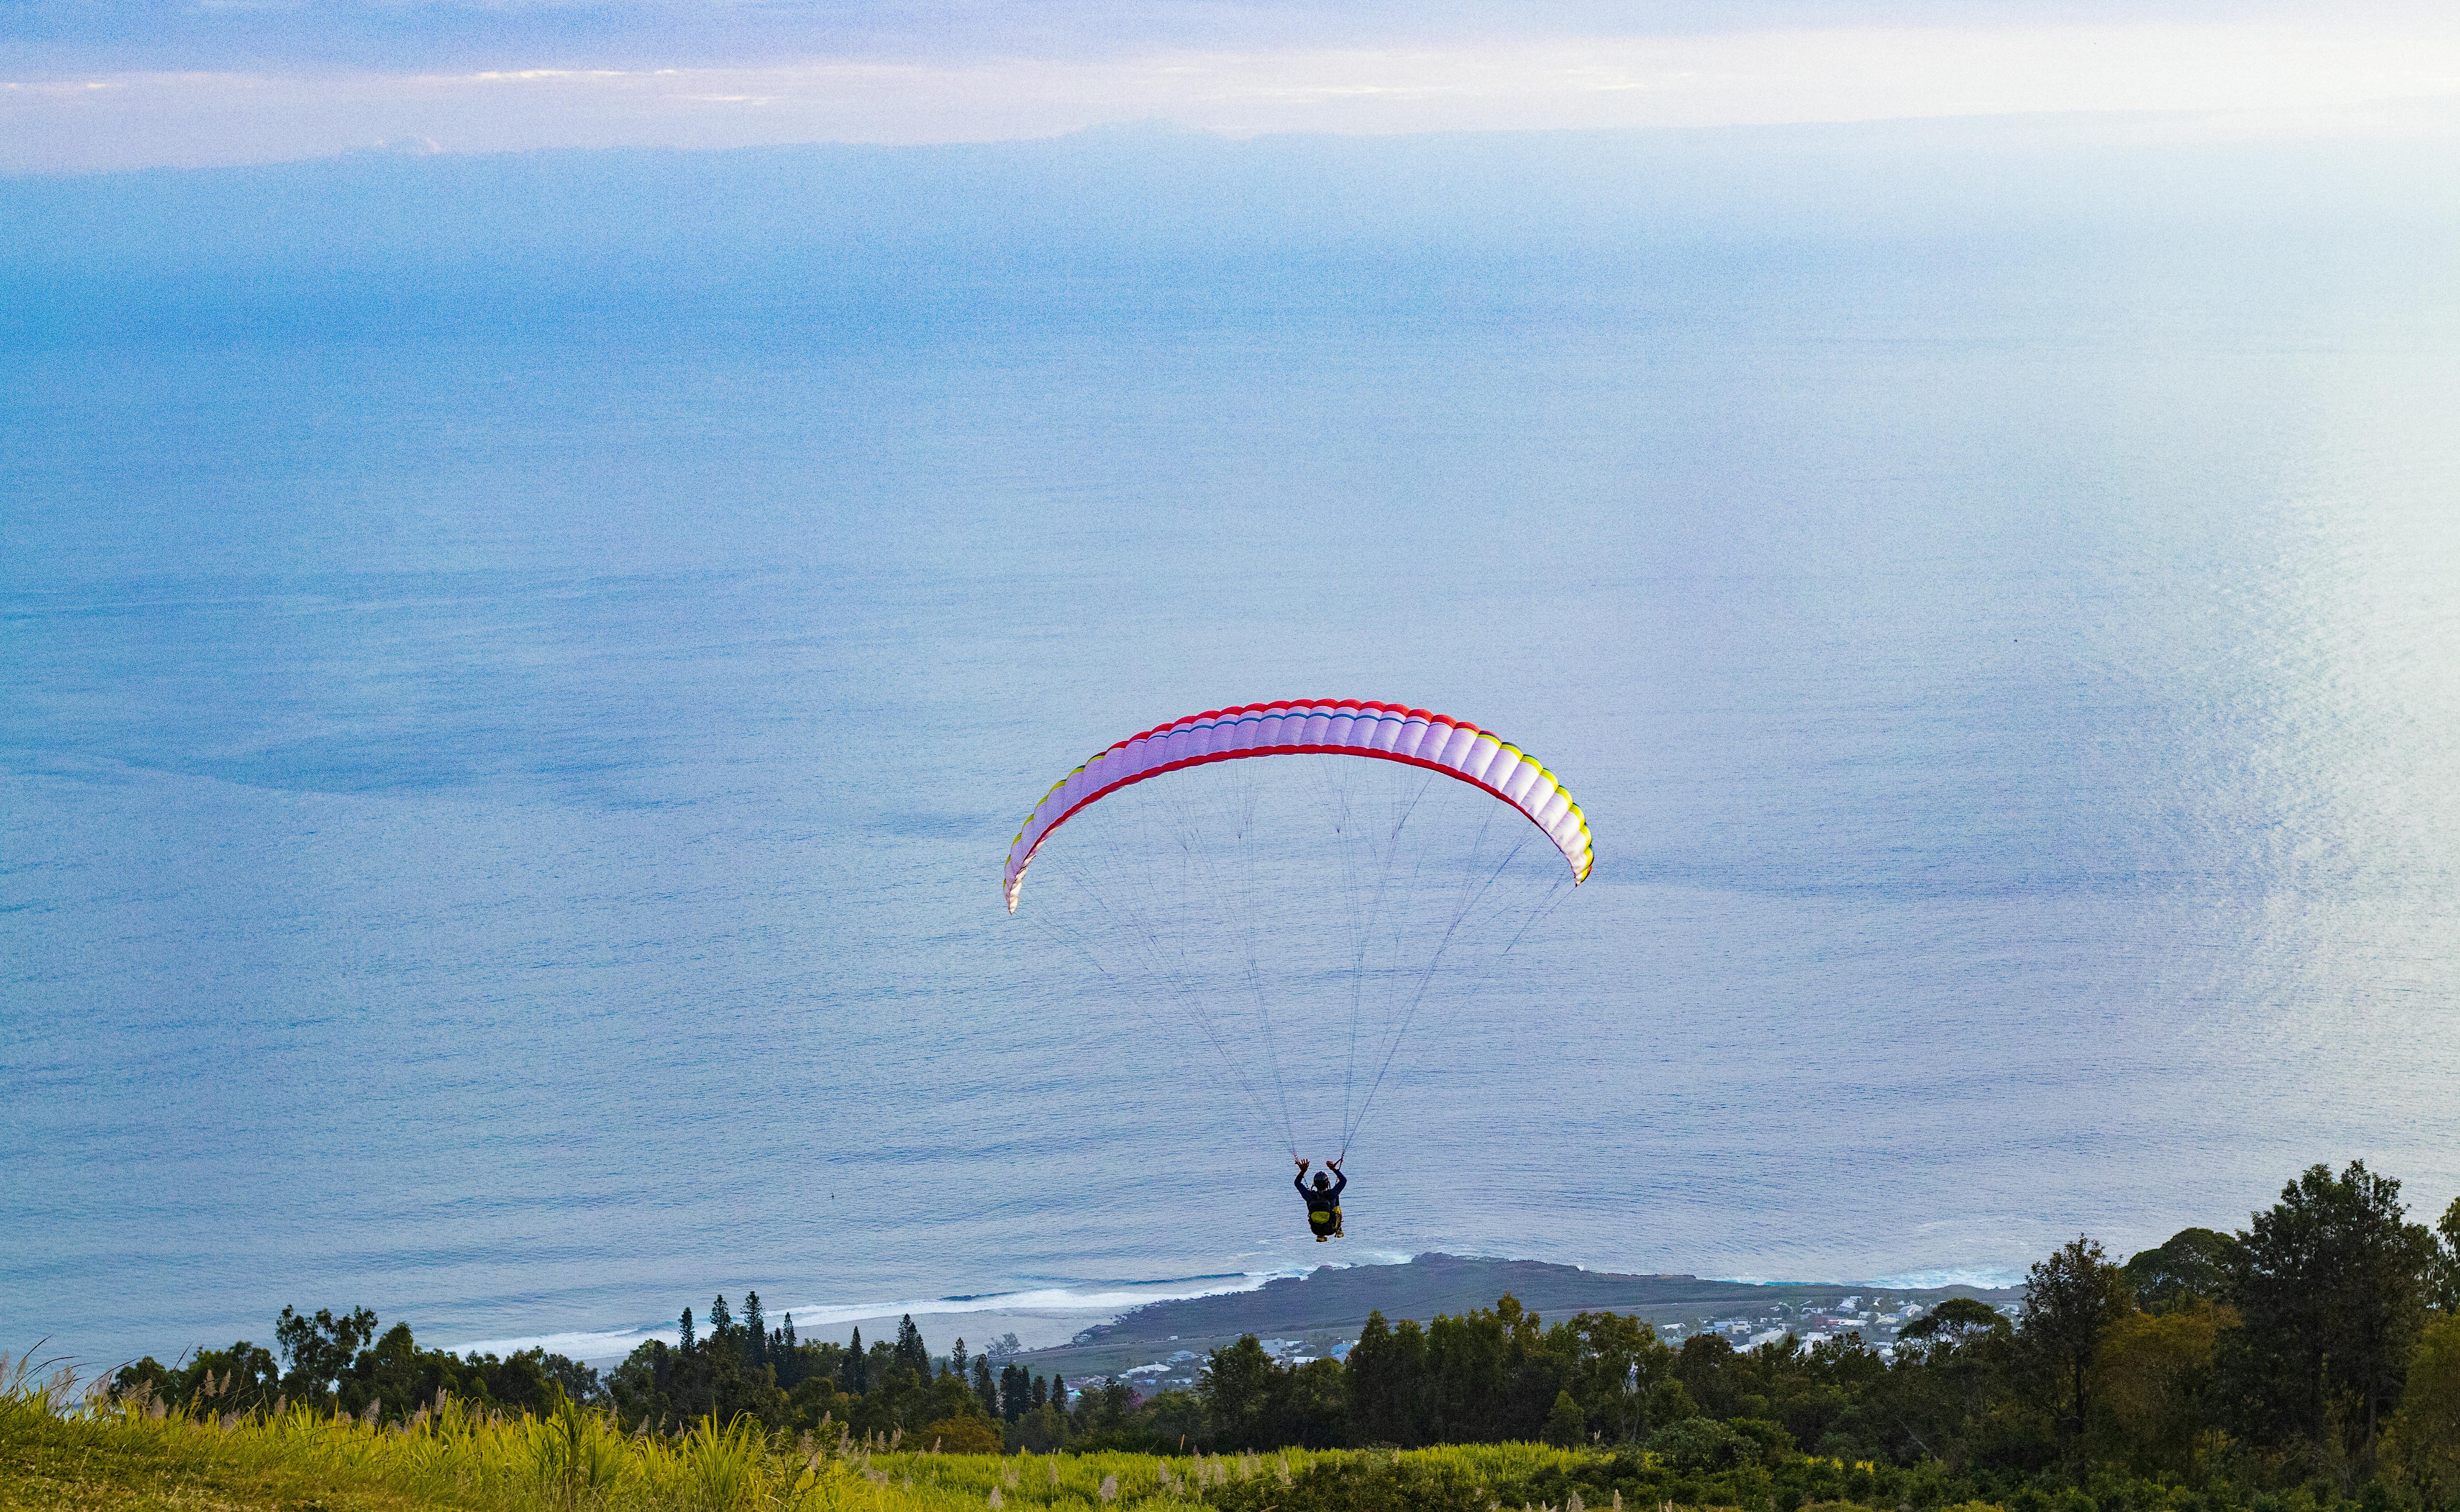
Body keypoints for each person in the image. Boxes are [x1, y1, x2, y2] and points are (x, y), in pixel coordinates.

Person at [1294, 1156, 1346, 1241]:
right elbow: (1344, 1181)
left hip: (1316, 1230)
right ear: (1327, 1183)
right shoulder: (1332, 1194)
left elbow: (1297, 1183)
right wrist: (1334, 1169)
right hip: (1331, 1229)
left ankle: (1321, 1237)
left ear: (1315, 1184)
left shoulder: (1309, 1195)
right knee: (1337, 1198)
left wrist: (1303, 1171)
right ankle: (1339, 1231)